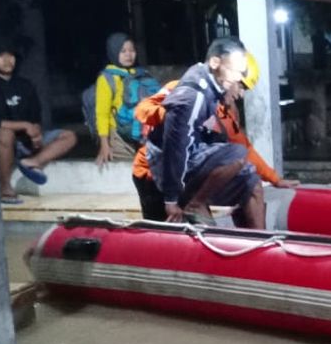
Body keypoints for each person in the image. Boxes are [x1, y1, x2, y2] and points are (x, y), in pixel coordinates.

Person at [131, 53, 298, 222]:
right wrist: (170, 115)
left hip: (188, 178)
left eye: (243, 88)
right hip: (152, 174)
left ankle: (255, 243)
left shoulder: (223, 114)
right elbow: (142, 109)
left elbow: (243, 149)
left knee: (251, 182)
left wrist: (275, 179)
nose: (239, 93)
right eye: (239, 84)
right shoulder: (184, 91)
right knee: (165, 239)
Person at [144, 37, 266, 227]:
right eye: (237, 74)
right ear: (216, 63)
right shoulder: (193, 96)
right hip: (165, 168)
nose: (238, 82)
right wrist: (171, 199)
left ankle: (260, 244)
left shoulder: (211, 90)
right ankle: (196, 204)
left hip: (191, 160)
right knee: (237, 154)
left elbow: (215, 137)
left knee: (251, 179)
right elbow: (176, 148)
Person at [0, 38, 76, 204]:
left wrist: (36, 132)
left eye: (11, 55)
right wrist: (25, 125)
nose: (7, 60)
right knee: (5, 134)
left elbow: (35, 116)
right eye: (1, 56)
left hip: (26, 141)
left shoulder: (25, 85)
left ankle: (33, 162)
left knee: (69, 136)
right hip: (3, 143)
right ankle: (5, 187)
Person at [93, 32, 161, 168]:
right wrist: (104, 144)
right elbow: (102, 114)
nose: (128, 55)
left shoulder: (140, 74)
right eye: (123, 51)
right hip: (118, 136)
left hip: (141, 133)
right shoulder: (106, 79)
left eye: (132, 50)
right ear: (114, 52)